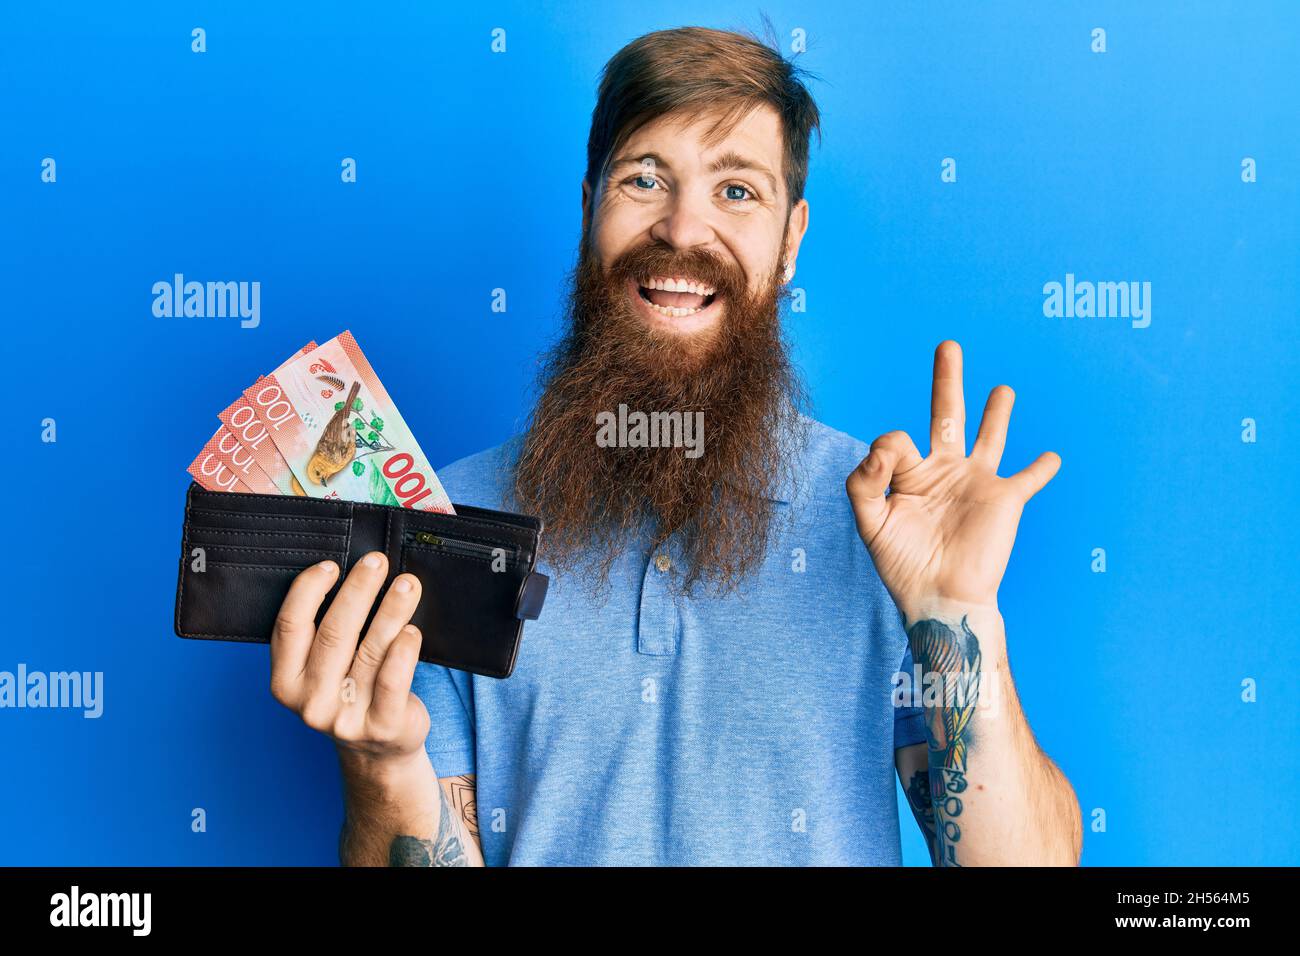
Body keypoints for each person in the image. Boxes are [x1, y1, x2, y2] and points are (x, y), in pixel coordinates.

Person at [268, 25, 1081, 866]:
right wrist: (382, 764)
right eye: (645, 179)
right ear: (589, 208)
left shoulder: (891, 527)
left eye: (737, 192)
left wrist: (956, 613)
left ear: (791, 239)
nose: (683, 230)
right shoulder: (447, 521)